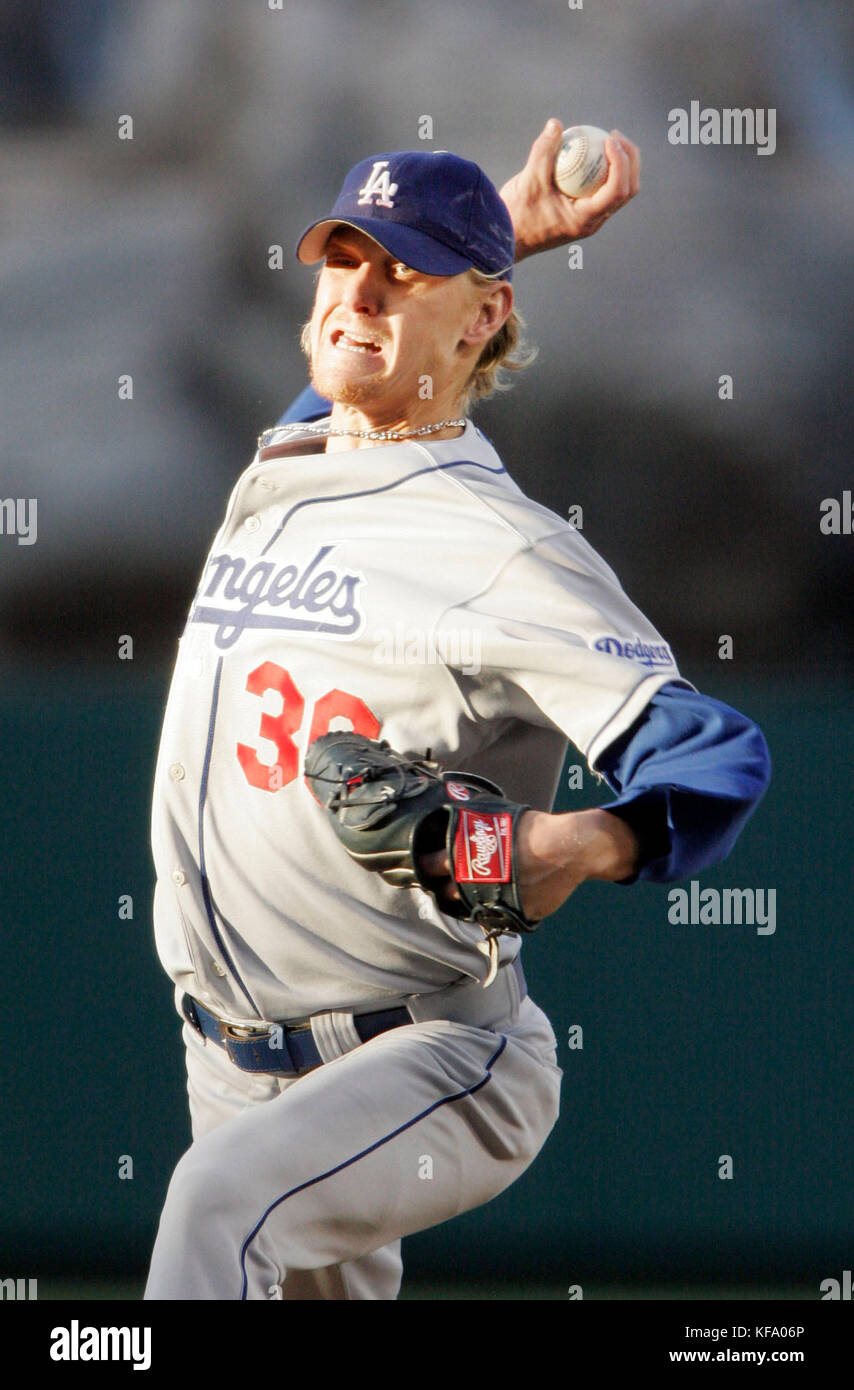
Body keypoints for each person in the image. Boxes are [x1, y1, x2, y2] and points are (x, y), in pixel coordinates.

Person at [144, 123, 770, 1300]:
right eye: (343, 259)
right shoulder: (293, 453)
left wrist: (573, 842)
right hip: (227, 1052)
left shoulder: (501, 549)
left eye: (404, 270)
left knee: (216, 1208)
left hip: (428, 1052)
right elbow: (364, 371)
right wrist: (511, 229)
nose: (357, 292)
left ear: (482, 320)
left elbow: (717, 754)